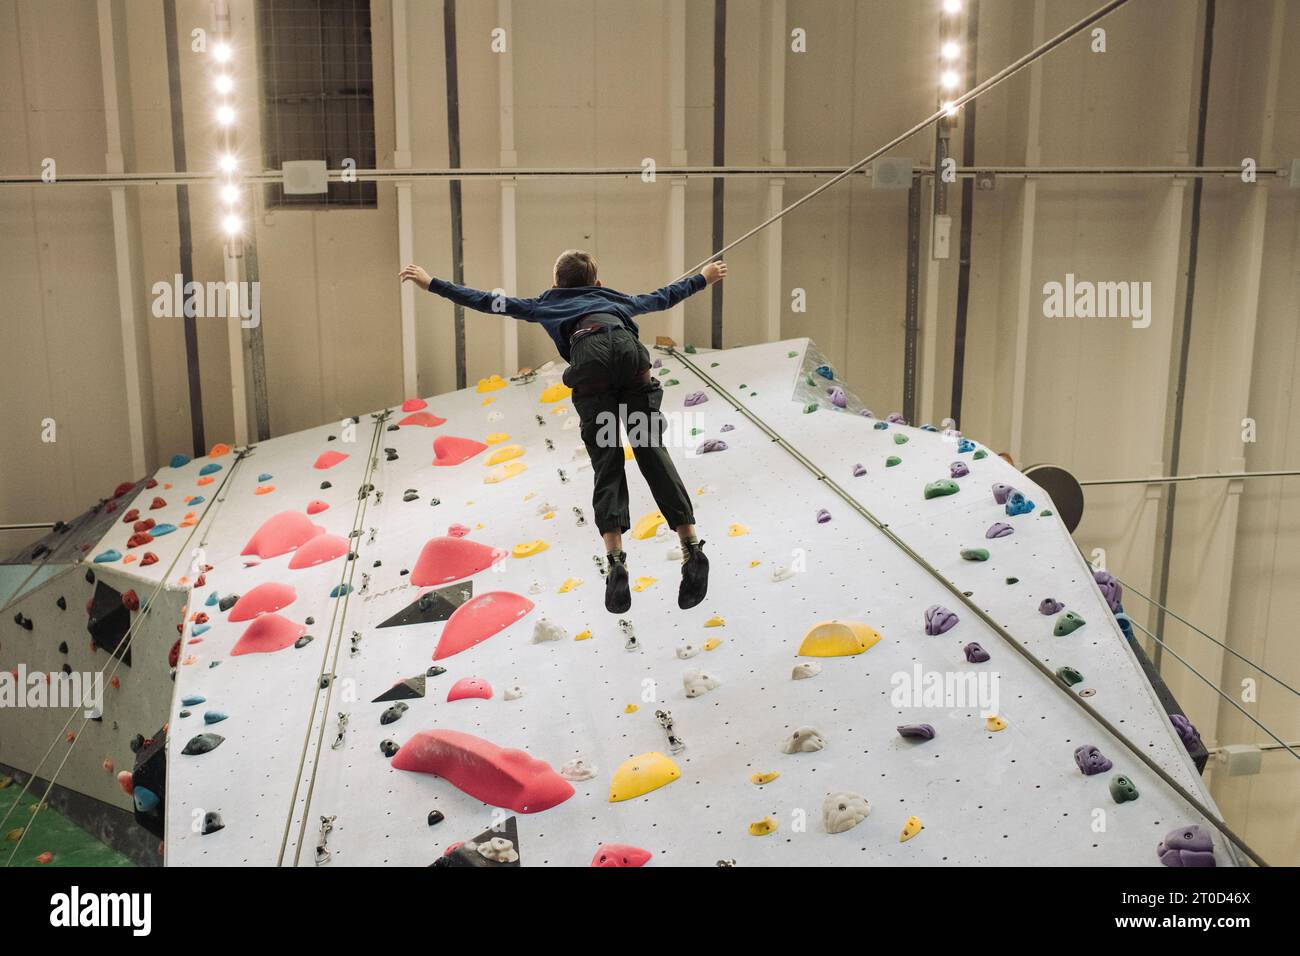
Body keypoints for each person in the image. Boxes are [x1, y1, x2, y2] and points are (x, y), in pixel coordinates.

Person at [399, 250, 726, 614]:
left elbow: (489, 302)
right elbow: (664, 296)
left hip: (591, 364)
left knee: (608, 462)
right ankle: (691, 546)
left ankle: (616, 560)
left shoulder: (546, 304)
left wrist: (432, 284)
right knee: (651, 450)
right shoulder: (614, 299)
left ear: (555, 284)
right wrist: (705, 277)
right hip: (632, 357)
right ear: (597, 283)